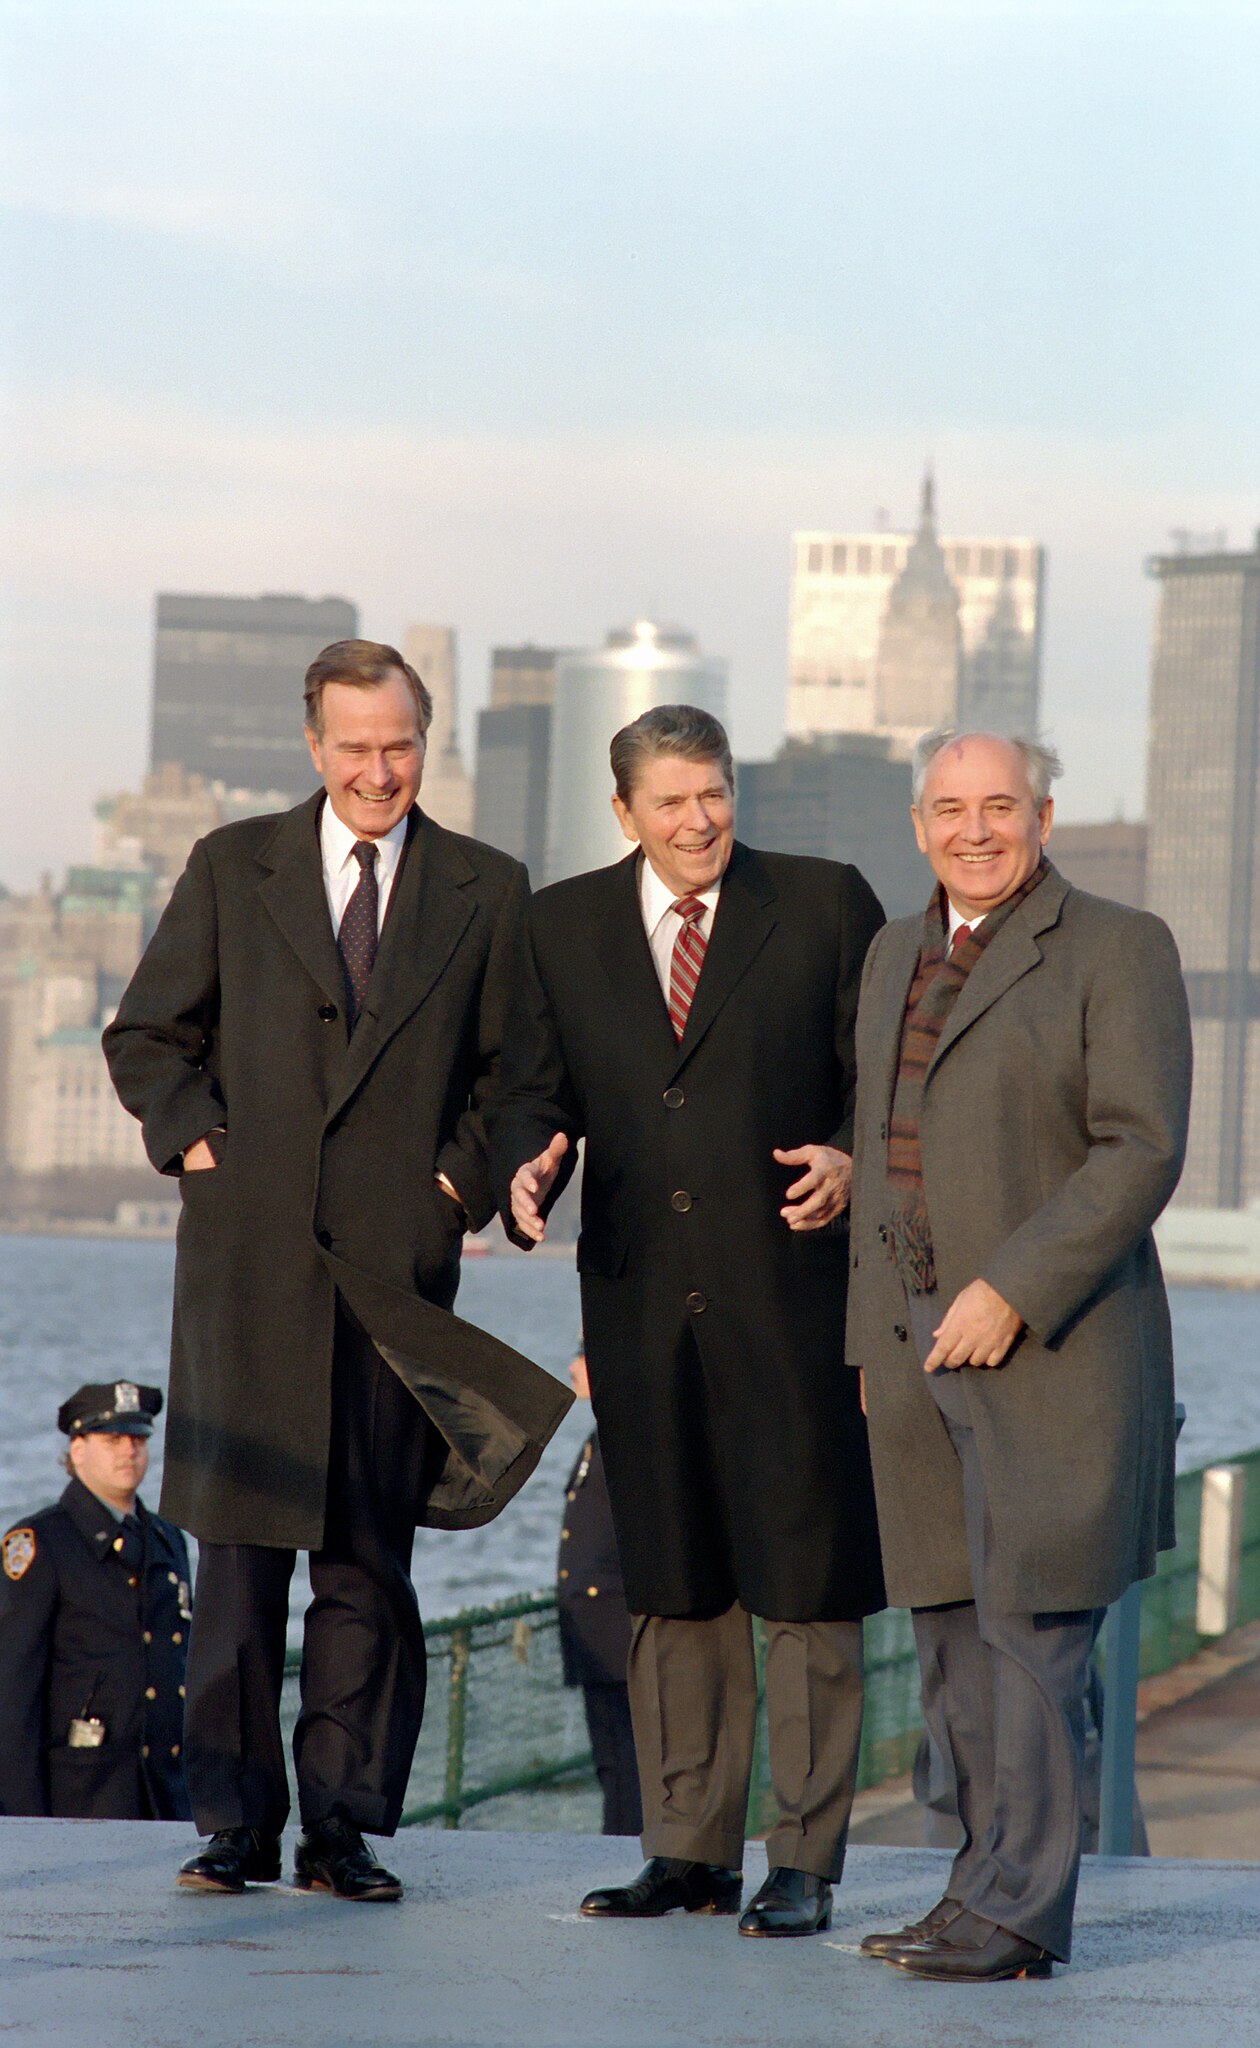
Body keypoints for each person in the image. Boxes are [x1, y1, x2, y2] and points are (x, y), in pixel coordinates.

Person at [104, 639, 570, 1901]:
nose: (378, 769)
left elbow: (518, 1079)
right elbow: (145, 1032)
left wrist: (455, 1187)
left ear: (428, 739)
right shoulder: (228, 864)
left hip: (393, 1281)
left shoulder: (488, 884)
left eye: (400, 744)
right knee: (242, 1569)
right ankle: (235, 1826)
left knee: (369, 1564)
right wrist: (198, 1141)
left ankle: (344, 1827)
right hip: (246, 1272)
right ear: (313, 745)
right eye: (354, 746)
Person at [490, 703, 886, 1938]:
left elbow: (888, 1079)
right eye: (669, 801)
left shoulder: (825, 904)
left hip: (796, 1302)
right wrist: (521, 1168)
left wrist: (850, 1157)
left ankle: (806, 1856)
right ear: (623, 812)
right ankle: (686, 1848)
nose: (698, 819)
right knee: (670, 1581)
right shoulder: (558, 924)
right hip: (636, 1301)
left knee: (805, 1585)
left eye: (712, 791)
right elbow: (528, 1088)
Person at [847, 726, 1191, 1983]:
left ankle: (1022, 1912)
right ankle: (972, 1884)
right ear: (916, 819)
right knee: (948, 1644)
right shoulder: (896, 948)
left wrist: (1010, 1285)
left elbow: (1136, 1148)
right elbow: (900, 1129)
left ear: (1044, 815)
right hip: (908, 1353)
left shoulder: (1116, 944)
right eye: (949, 808)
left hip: (1049, 1353)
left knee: (1032, 1644)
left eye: (1000, 806)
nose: (974, 829)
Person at [0, 1380, 192, 1820]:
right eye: (112, 1440)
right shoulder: (42, 1544)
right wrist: (21, 1818)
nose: (129, 1451)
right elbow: (13, 1691)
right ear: (78, 1450)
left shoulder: (167, 1540)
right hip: (80, 1797)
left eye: (138, 1439)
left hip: (167, 1798)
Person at [556, 1349, 641, 1838]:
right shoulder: (598, 1441)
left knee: (627, 1758)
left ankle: (628, 1848)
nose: (572, 1367)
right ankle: (618, 1843)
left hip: (613, 1624)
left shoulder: (622, 1442)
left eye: (584, 1356)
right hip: (590, 1623)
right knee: (609, 1760)